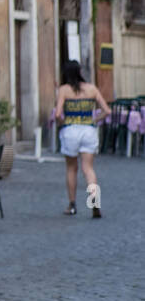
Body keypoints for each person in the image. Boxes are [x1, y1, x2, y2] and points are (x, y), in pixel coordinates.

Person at [55, 60, 107, 217]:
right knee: (88, 169)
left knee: (71, 168)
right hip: (88, 130)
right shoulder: (91, 88)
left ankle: (72, 205)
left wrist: (63, 123)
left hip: (70, 130)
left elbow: (58, 114)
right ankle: (94, 203)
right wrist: (94, 121)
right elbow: (107, 110)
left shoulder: (64, 90)